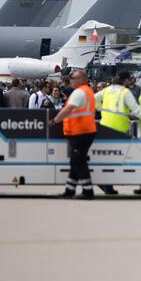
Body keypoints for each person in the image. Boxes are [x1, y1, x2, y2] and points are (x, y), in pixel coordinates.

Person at [51, 68, 98, 199]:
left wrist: (55, 120)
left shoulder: (79, 92)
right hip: (85, 131)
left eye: (73, 78)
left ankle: (88, 191)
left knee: (78, 161)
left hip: (79, 132)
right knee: (76, 161)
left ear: (81, 80)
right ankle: (69, 190)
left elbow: (69, 108)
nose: (70, 80)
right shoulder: (88, 91)